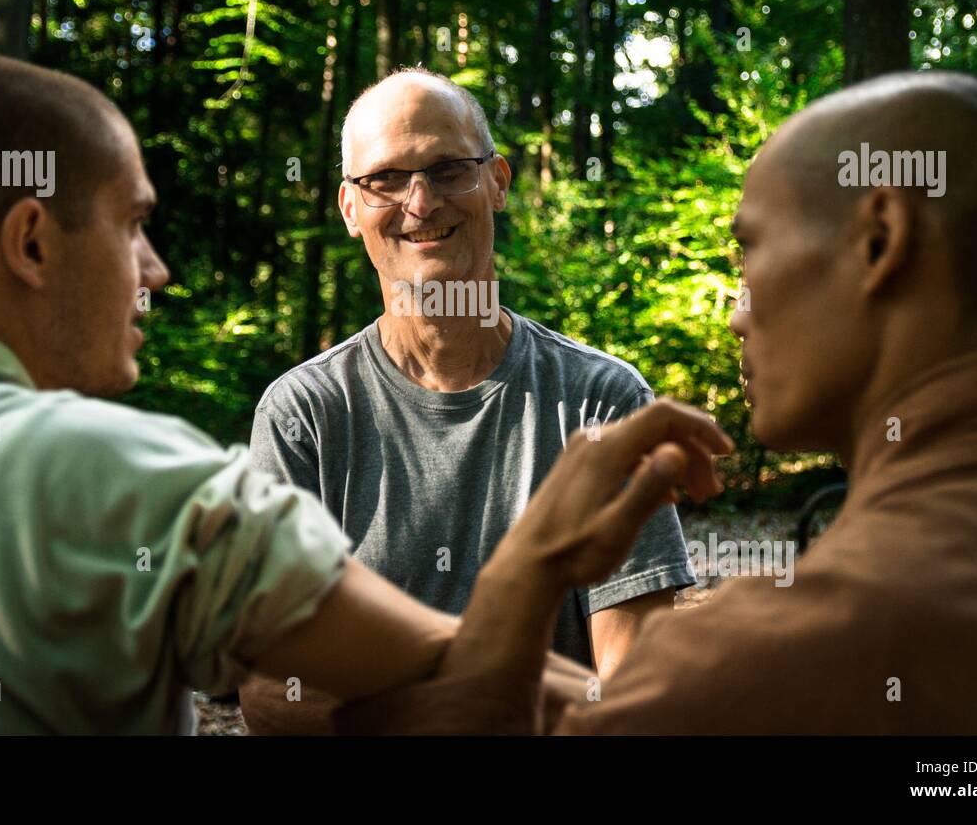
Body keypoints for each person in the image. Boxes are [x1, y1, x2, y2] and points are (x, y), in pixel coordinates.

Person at [0, 51, 730, 734]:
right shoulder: (120, 471)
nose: (154, 270)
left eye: (447, 169)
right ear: (31, 241)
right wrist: (543, 556)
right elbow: (470, 686)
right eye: (133, 227)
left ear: (495, 183)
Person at [332, 70, 977, 735]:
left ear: (881, 241)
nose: (736, 310)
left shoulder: (787, 650)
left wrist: (528, 569)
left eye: (752, 250)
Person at [240, 68, 696, 733]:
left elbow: (631, 686)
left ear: (498, 183)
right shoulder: (303, 415)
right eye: (386, 179)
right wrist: (497, 685)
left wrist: (422, 691)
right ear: (348, 208)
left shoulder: (599, 399)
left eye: (450, 168)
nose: (420, 202)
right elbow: (275, 689)